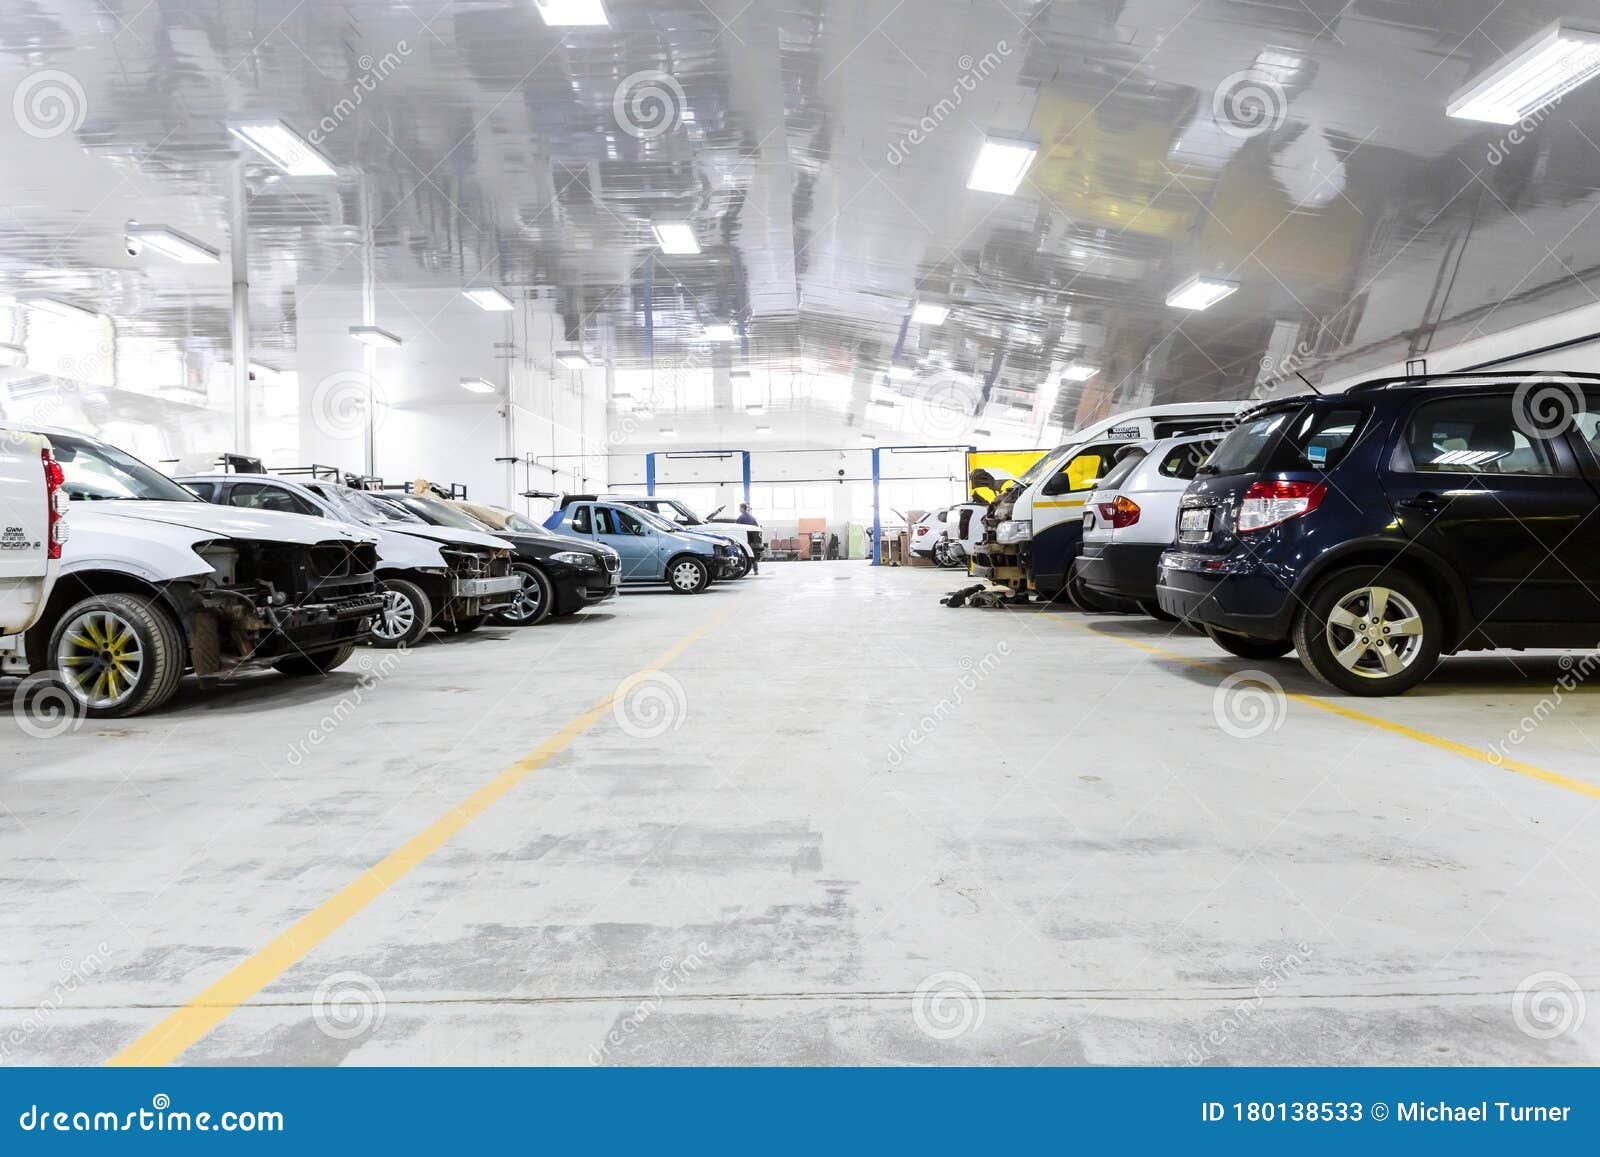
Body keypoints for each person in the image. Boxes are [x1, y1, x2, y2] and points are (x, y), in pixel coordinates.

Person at [736, 503, 760, 574]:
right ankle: (756, 570)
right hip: (753, 539)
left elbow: (736, 526)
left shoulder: (741, 517)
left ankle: (740, 570)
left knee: (742, 554)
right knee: (753, 555)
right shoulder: (751, 517)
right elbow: (757, 526)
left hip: (744, 538)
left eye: (739, 508)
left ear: (742, 508)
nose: (739, 509)